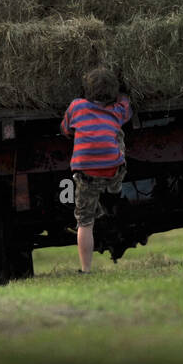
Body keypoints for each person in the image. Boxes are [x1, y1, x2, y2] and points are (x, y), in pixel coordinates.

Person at [60, 66, 132, 274]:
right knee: (118, 136)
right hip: (113, 171)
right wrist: (123, 93)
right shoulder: (118, 110)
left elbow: (65, 130)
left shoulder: (77, 107)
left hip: (86, 175)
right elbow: (127, 104)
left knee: (85, 222)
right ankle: (114, 190)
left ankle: (86, 269)